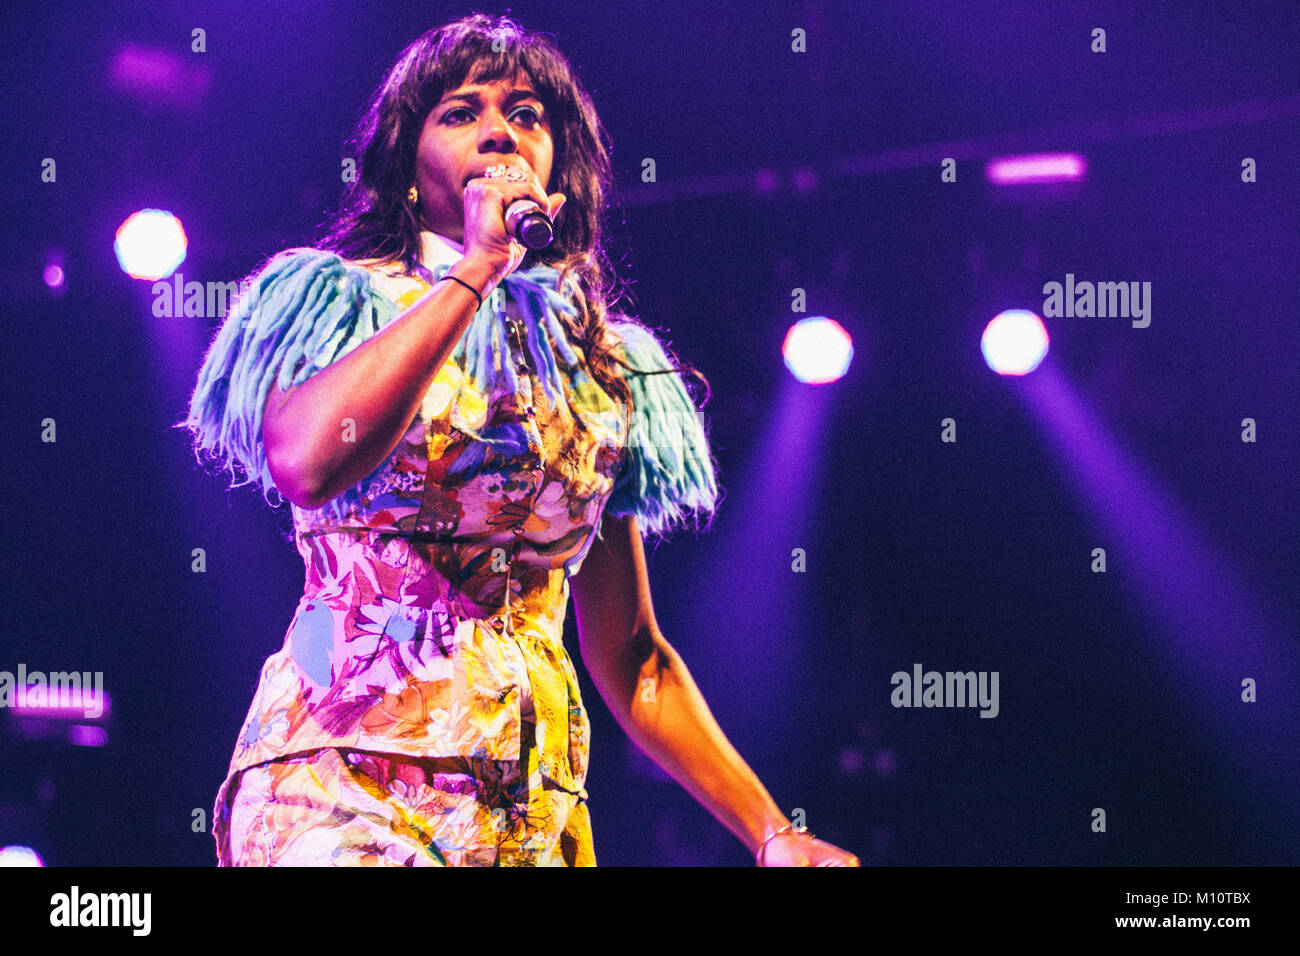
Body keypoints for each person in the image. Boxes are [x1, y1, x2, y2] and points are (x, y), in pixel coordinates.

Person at [179, 13, 859, 867]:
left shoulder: (602, 364)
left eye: (528, 114)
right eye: (460, 111)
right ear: (405, 159)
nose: (500, 129)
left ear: (556, 164)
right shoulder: (334, 299)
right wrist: (473, 268)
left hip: (523, 812)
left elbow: (634, 656)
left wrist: (772, 830)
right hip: (341, 776)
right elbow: (307, 459)